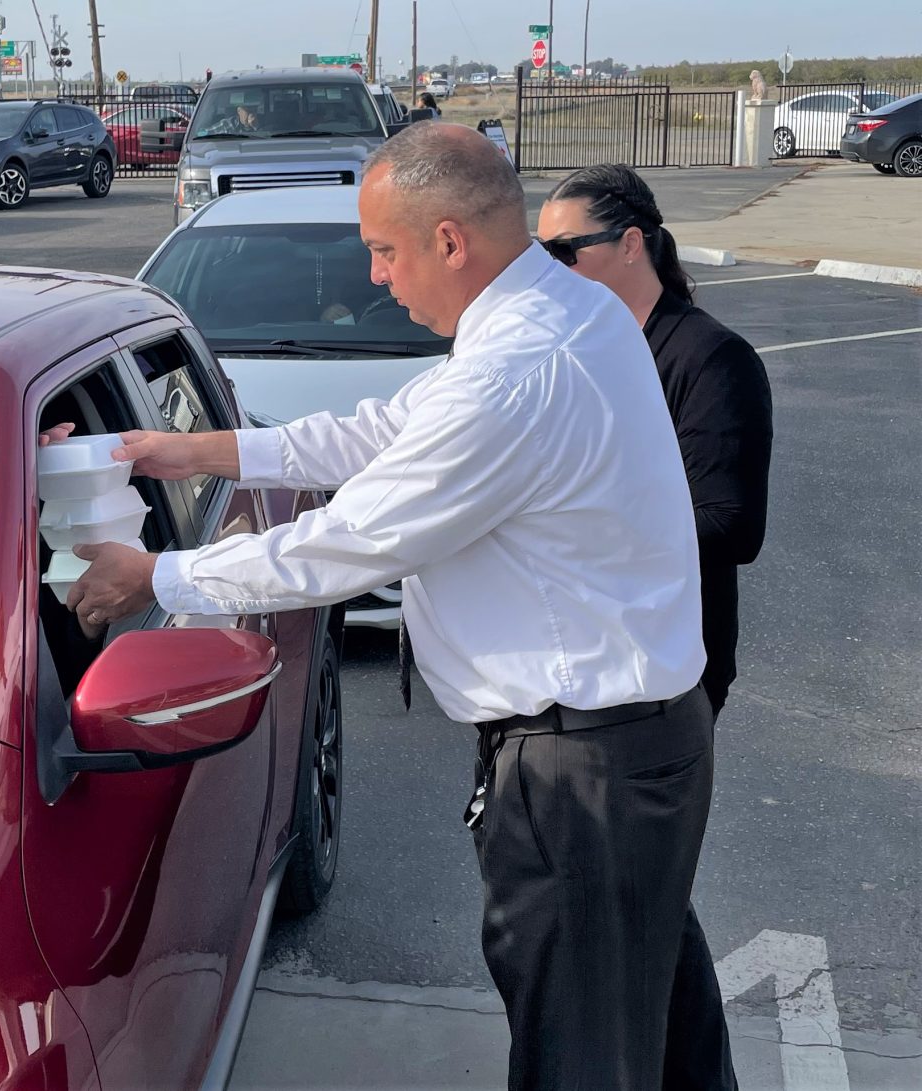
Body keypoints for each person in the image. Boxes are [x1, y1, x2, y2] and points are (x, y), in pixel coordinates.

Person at [60, 123, 736, 1090]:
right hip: (633, 747)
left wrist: (159, 578)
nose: (377, 277)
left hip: (583, 770)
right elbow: (381, 429)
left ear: (450, 240)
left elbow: (349, 542)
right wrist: (192, 450)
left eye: (385, 250)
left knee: (581, 1056)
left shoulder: (515, 374)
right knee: (660, 1027)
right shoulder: (557, 314)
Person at [537, 164, 773, 721]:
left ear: (631, 244)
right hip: (573, 656)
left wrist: (569, 536)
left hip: (662, 664)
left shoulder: (709, 357)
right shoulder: (568, 349)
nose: (551, 268)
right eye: (540, 252)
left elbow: (730, 524)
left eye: (566, 250)